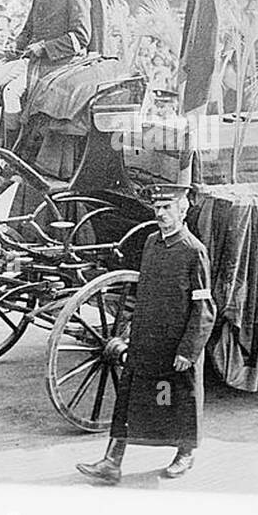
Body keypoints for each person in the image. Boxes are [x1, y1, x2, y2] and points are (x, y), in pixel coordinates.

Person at [76, 184, 216, 484]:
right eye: (158, 208)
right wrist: (129, 335)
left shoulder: (194, 251)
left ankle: (185, 454)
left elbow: (205, 308)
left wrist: (188, 351)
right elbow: (144, 296)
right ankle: (112, 462)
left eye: (168, 208)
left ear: (184, 210)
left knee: (181, 400)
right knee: (128, 399)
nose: (161, 214)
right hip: (145, 341)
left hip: (176, 347)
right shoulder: (152, 243)